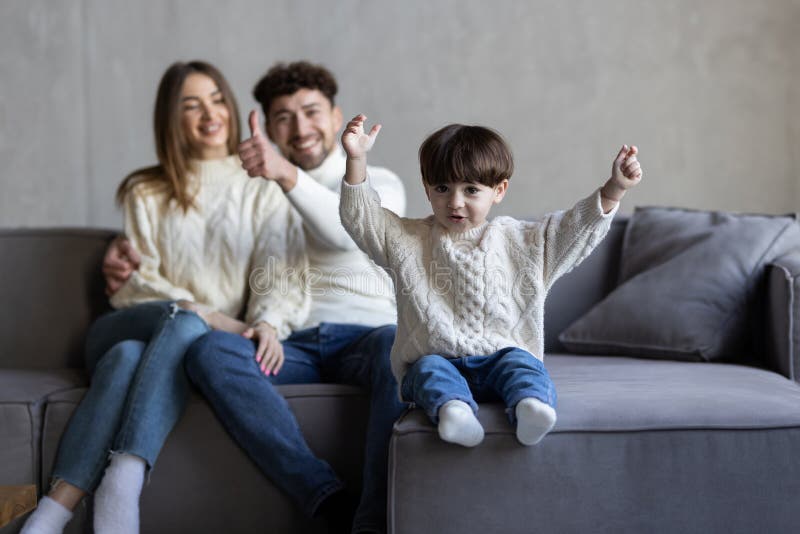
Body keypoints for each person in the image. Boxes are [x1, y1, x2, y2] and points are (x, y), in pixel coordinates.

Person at [103, 62, 408, 533]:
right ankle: (325, 498)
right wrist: (125, 258)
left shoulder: (380, 182)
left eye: (311, 112)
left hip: (369, 338)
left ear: (335, 116)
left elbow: (350, 230)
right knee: (209, 350)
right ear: (268, 128)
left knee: (399, 348)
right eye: (283, 118)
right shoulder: (265, 197)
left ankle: (373, 522)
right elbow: (258, 270)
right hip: (295, 345)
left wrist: (284, 174)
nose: (300, 128)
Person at [21, 60, 309, 534]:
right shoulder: (145, 190)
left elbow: (276, 274)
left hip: (158, 349)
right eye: (191, 105)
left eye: (217, 99)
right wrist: (212, 316)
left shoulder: (262, 188)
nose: (210, 114)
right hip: (128, 321)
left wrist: (267, 322)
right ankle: (123, 484)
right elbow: (139, 283)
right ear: (170, 119)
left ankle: (53, 511)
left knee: (128, 359)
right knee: (182, 322)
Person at [338, 115, 642, 448]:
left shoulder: (522, 241)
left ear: (498, 191)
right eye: (442, 188)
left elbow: (574, 230)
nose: (455, 202)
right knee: (426, 372)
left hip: (501, 356)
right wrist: (357, 159)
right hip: (439, 359)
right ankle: (453, 412)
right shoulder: (407, 240)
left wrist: (614, 189)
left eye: (471, 190)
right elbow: (363, 219)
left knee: (523, 366)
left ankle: (531, 407)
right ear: (426, 189)